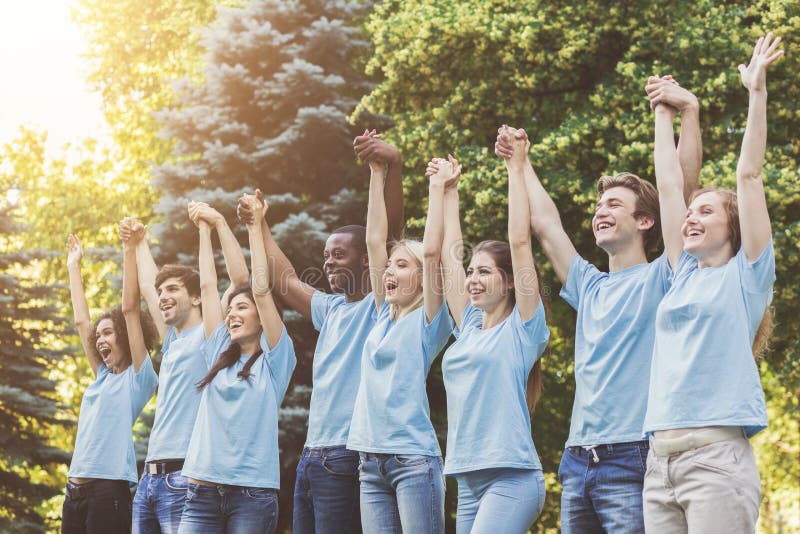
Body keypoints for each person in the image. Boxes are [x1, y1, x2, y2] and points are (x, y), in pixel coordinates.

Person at [495, 79, 702, 531]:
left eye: (614, 204)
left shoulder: (665, 276)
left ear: (645, 221)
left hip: (634, 457)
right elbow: (546, 225)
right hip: (576, 461)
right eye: (597, 206)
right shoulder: (588, 286)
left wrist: (681, 114)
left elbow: (680, 193)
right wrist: (522, 162)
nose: (600, 211)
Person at [643, 33, 782, 533]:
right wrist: (663, 109)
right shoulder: (681, 274)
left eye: (707, 211)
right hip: (659, 465)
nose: (691, 217)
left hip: (716, 462)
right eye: (691, 211)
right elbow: (667, 184)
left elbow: (748, 175)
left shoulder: (746, 277)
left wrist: (757, 93)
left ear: (734, 225)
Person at [238, 131, 405, 534]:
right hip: (313, 456)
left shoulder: (379, 307)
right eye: (325, 256)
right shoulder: (329, 310)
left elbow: (390, 234)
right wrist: (260, 224)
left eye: (339, 255)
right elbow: (286, 279)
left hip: (348, 457)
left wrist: (390, 168)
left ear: (367, 261)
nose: (329, 263)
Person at [435, 134, 550, 533]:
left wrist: (515, 169)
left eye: (484, 271)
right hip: (467, 480)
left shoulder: (523, 329)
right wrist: (450, 194)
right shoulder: (467, 327)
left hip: (512, 478)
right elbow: (451, 255)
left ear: (510, 281)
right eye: (472, 272)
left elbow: (520, 240)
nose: (472, 280)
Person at [345, 152, 454, 533]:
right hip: (369, 463)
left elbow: (431, 251)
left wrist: (437, 188)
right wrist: (377, 173)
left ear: (423, 279)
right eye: (389, 266)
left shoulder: (430, 320)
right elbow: (375, 239)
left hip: (412, 461)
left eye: (401, 265)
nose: (389, 270)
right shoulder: (380, 314)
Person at [123, 209, 248, 533]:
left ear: (195, 299)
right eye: (163, 292)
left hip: (184, 477)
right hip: (149, 479)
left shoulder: (211, 335)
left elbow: (239, 282)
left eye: (173, 289)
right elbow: (150, 289)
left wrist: (213, 225)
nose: (163, 296)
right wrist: (139, 243)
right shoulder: (172, 341)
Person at [176, 197, 296, 533]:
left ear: (262, 314)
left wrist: (254, 227)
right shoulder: (217, 351)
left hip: (252, 496)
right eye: (231, 310)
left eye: (242, 308)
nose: (232, 314)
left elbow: (257, 286)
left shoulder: (276, 360)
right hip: (201, 492)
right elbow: (208, 286)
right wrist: (206, 227)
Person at [62, 230, 159, 533]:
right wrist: (73, 267)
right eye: (98, 335)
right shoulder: (101, 377)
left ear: (125, 337)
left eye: (108, 333)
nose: (100, 339)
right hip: (73, 491)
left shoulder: (139, 378)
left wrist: (129, 251)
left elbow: (130, 309)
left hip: (107, 493)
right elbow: (81, 322)